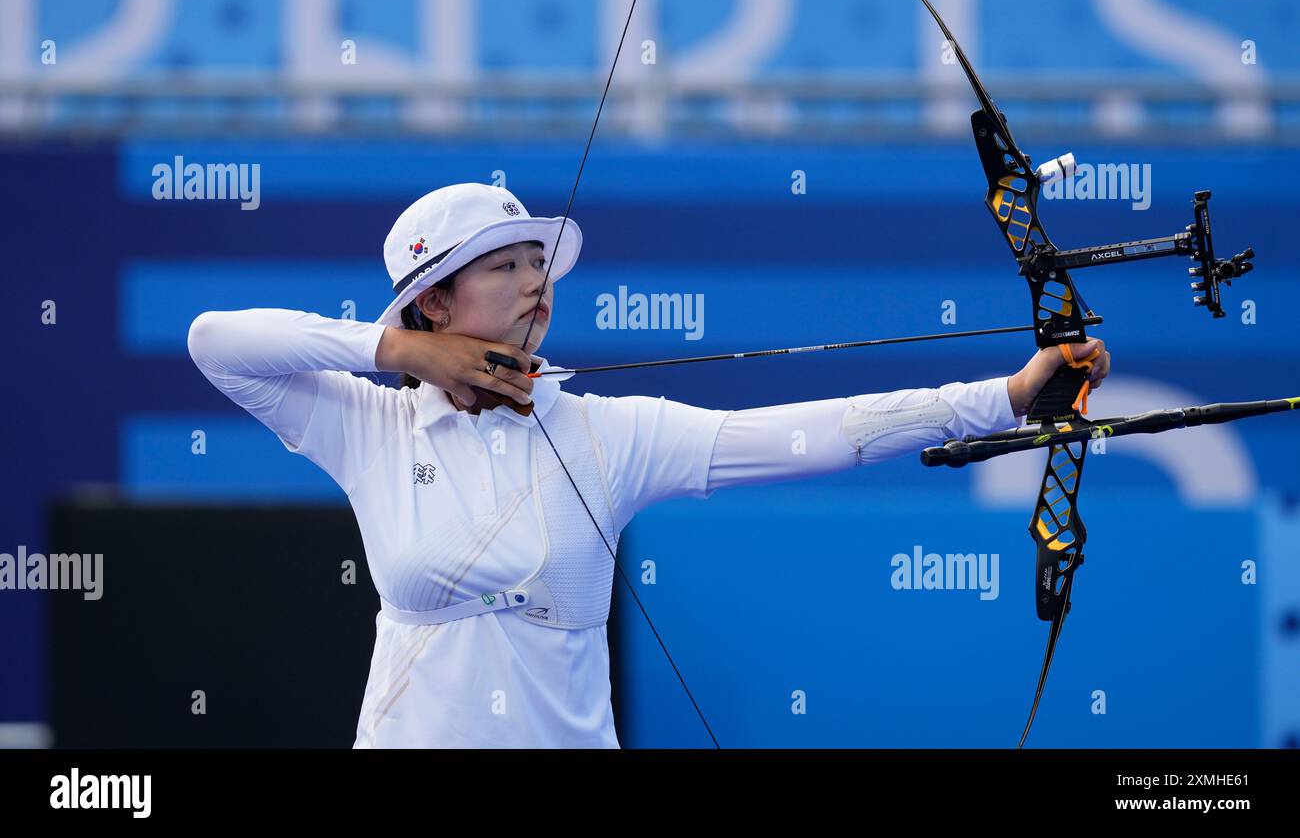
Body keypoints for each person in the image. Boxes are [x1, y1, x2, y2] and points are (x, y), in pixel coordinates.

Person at [186, 181, 1111, 748]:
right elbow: (215, 340)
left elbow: (811, 431)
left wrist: (1007, 394)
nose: (536, 282)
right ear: (432, 302)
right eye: (503, 266)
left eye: (536, 263)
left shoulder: (608, 434)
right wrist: (401, 356)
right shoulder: (368, 425)